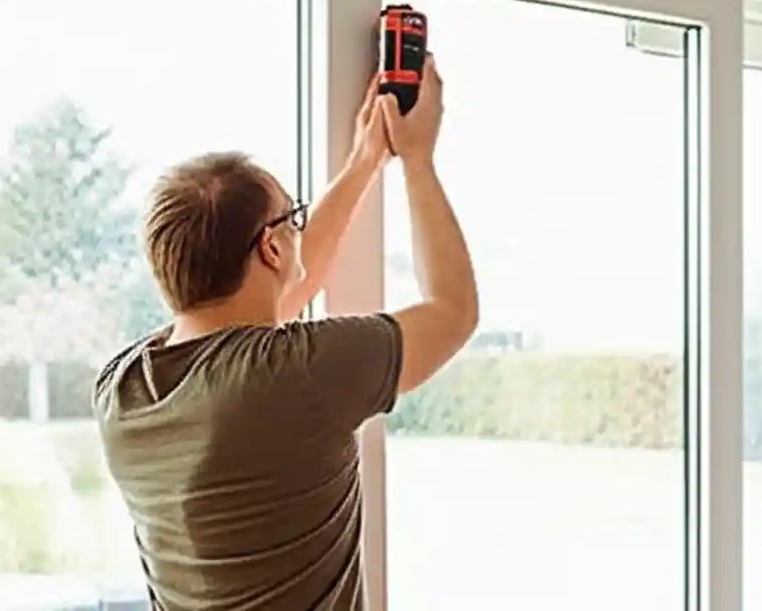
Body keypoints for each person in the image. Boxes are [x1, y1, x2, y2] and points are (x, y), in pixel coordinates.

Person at [92, 55, 477, 610]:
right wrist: (418, 159)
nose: (299, 231)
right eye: (291, 220)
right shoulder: (297, 374)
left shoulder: (122, 388)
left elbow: (276, 296)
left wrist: (365, 161)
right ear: (271, 248)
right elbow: (452, 311)